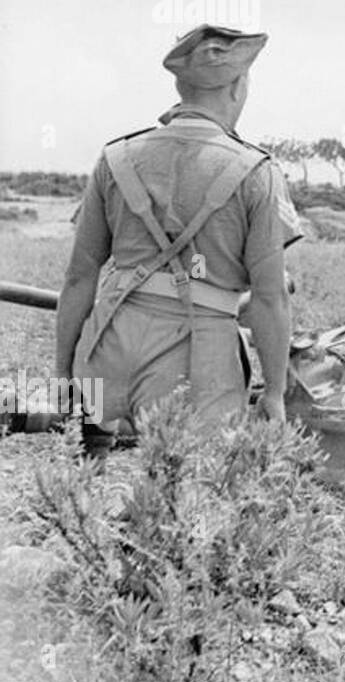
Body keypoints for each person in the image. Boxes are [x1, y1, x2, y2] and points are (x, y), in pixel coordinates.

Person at [56, 24, 302, 453]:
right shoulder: (257, 172)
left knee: (83, 487)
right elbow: (270, 298)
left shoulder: (115, 157)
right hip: (195, 360)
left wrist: (64, 379)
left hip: (104, 350)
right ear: (237, 87)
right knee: (187, 499)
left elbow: (79, 278)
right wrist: (275, 394)